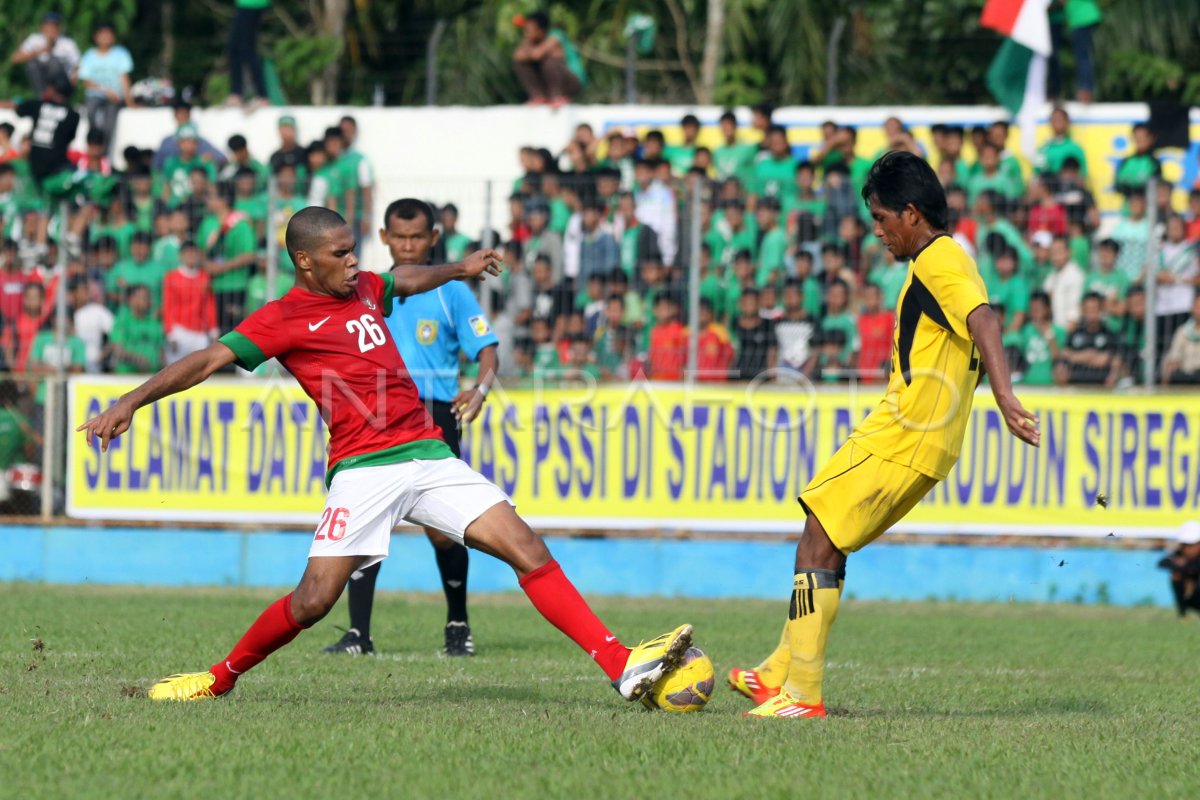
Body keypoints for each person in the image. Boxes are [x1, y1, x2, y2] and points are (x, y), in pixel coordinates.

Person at [77, 206, 693, 702]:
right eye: (340, 254)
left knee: (526, 547)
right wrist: (132, 398)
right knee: (313, 601)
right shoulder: (283, 318)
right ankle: (220, 676)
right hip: (362, 470)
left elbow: (406, 280)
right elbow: (207, 360)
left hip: (427, 452)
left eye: (353, 250)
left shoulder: (365, 287)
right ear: (304, 261)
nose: (354, 262)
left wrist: (458, 268)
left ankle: (621, 665)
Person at [728, 151, 1040, 719]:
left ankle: (801, 696)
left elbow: (985, 319)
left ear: (912, 213)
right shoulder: (943, 259)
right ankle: (779, 672)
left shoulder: (940, 260)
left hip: (905, 436)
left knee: (817, 539)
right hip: (911, 436)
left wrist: (1004, 395)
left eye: (881, 218)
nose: (877, 231)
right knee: (826, 533)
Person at [322, 198, 500, 658]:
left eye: (417, 237)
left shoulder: (451, 291)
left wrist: (478, 391)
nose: (407, 245)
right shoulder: (365, 290)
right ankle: (358, 634)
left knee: (444, 527)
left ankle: (458, 624)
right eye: (399, 237)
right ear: (383, 238)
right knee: (365, 521)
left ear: (433, 239)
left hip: (433, 414)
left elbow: (487, 350)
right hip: (372, 414)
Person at [77, 20, 132, 156]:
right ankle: (93, 142)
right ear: (96, 37)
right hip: (96, 94)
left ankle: (104, 155)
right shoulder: (89, 55)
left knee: (109, 124)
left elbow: (124, 79)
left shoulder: (121, 54)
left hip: (114, 98)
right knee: (91, 110)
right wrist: (105, 91)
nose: (105, 38)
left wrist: (130, 101)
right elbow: (87, 82)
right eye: (102, 34)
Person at [512, 11, 584, 107]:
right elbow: (517, 56)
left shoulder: (555, 36)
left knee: (550, 62)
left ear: (540, 30)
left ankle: (558, 97)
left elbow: (537, 54)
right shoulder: (532, 40)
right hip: (548, 84)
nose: (526, 32)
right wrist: (528, 44)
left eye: (529, 29)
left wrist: (528, 50)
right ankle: (538, 96)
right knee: (522, 64)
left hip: (572, 81)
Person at [10, 12, 80, 96]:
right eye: (48, 25)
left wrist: (73, 85)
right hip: (42, 82)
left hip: (62, 83)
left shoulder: (68, 43)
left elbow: (76, 66)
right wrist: (41, 51)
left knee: (54, 62)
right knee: (32, 64)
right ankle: (43, 95)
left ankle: (56, 94)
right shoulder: (34, 39)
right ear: (42, 27)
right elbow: (15, 58)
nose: (51, 29)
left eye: (54, 26)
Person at [227, 0, 269, 108]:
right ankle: (237, 93)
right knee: (235, 48)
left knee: (246, 49)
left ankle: (261, 95)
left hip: (252, 4)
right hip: (245, 5)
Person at [1162, 295, 1200, 385]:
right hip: (1185, 375)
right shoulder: (1183, 331)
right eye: (1197, 307)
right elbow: (1174, 356)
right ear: (1192, 308)